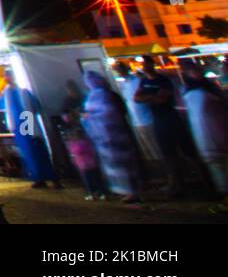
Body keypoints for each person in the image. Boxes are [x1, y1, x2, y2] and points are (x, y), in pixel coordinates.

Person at [134, 55, 200, 196]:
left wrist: (148, 98)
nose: (143, 67)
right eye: (142, 64)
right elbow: (137, 98)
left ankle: (203, 180)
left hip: (171, 118)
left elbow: (162, 99)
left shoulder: (163, 80)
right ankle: (177, 183)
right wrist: (152, 97)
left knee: (187, 151)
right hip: (158, 120)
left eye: (145, 64)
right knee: (167, 153)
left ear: (152, 64)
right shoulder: (143, 81)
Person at [81, 69, 142, 205]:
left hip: (113, 137)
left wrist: (89, 117)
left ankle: (132, 192)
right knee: (120, 165)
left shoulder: (102, 95)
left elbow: (108, 112)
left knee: (124, 165)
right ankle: (126, 191)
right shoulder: (102, 94)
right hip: (108, 138)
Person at [180, 61, 228, 206]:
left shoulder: (208, 90)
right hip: (204, 131)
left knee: (219, 161)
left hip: (217, 129)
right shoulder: (190, 91)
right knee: (215, 163)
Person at [2, 69, 59, 188]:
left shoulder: (22, 91)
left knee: (36, 149)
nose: (7, 78)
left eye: (8, 76)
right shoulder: (8, 93)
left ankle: (49, 177)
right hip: (19, 124)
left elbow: (32, 108)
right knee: (29, 152)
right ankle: (39, 177)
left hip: (26, 121)